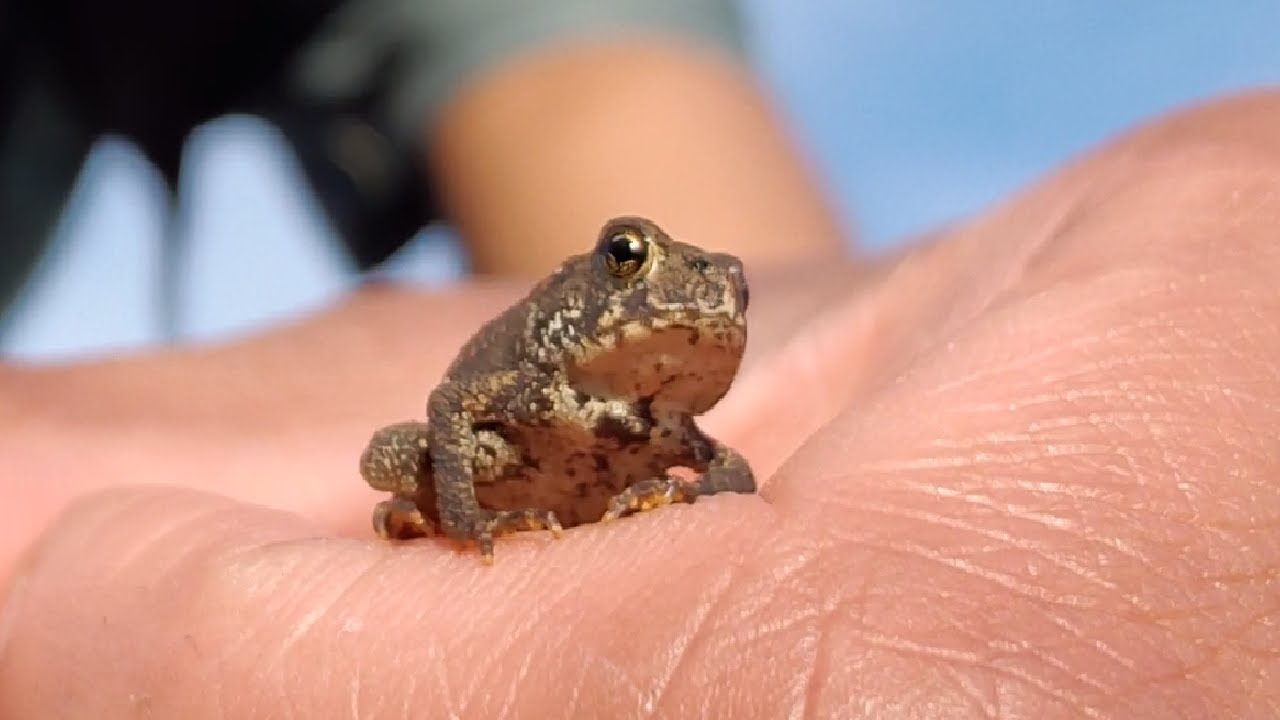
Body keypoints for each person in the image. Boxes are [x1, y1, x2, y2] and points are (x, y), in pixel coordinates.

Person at [2, 7, 1278, 719]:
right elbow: (450, 410)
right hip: (487, 474)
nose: (700, 299)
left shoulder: (668, 430)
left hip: (592, 476)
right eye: (640, 262)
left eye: (719, 299)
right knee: (384, 457)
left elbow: (580, 66)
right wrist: (459, 522)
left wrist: (802, 537)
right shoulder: (534, 369)